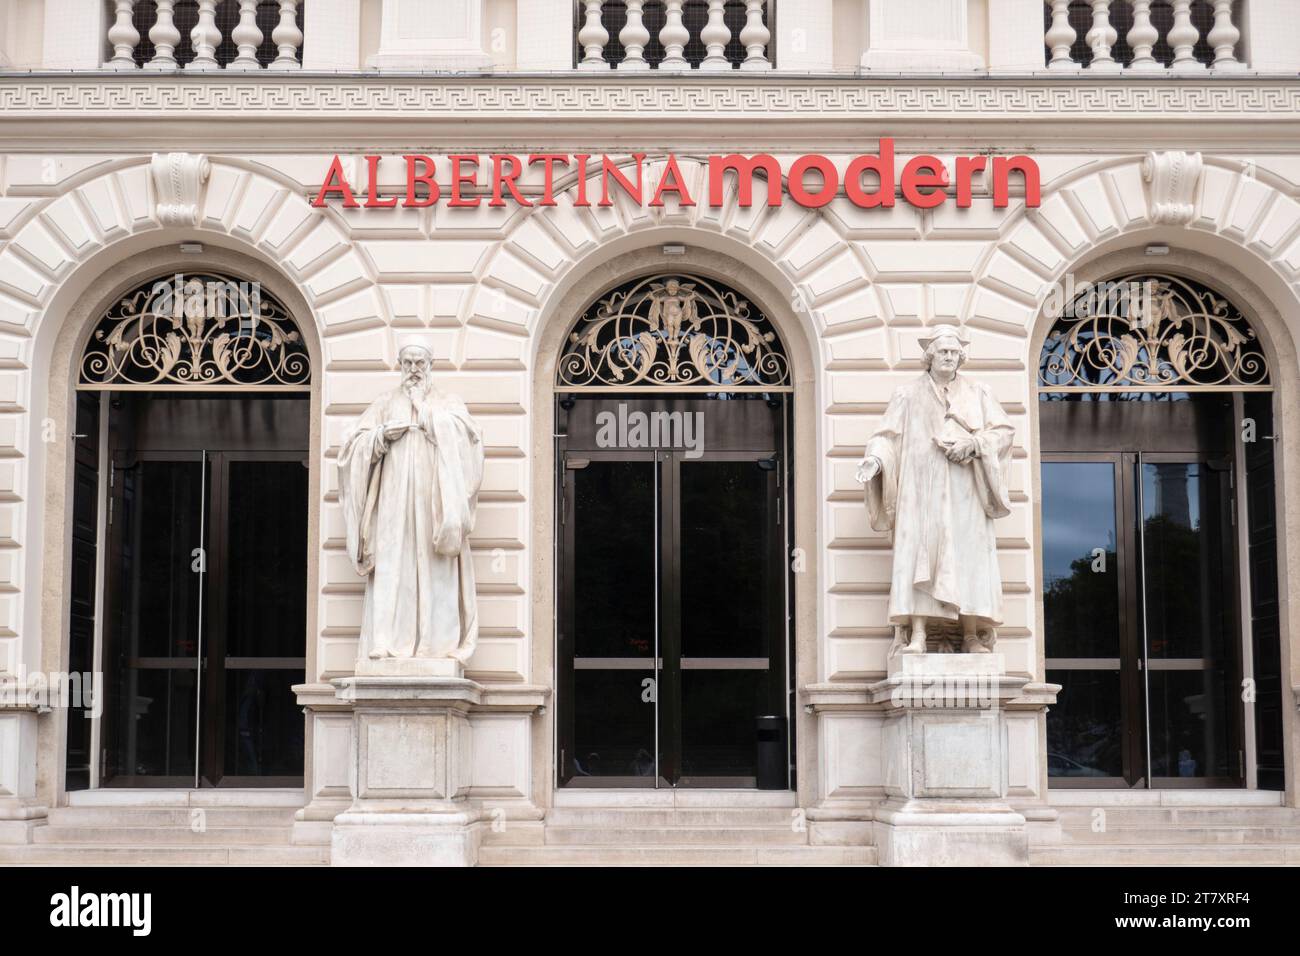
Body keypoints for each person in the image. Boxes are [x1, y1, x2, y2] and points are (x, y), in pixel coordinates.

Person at [855, 325, 1014, 655]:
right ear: (929, 357)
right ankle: (918, 635)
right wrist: (875, 461)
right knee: (919, 557)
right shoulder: (908, 394)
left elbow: (1003, 432)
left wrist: (973, 444)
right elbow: (887, 436)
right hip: (920, 490)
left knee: (968, 558)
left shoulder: (978, 392)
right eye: (943, 351)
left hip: (965, 490)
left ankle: (970, 635)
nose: (949, 357)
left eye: (954, 352)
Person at [338, 344, 483, 662]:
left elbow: (470, 441)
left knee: (435, 566)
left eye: (420, 362)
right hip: (394, 501)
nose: (414, 368)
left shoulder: (447, 401)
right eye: (408, 362)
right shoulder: (385, 403)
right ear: (399, 364)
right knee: (393, 564)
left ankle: (435, 644)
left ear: (431, 363)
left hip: (434, 502)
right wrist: (380, 437)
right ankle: (386, 641)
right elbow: (351, 448)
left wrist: (427, 414)